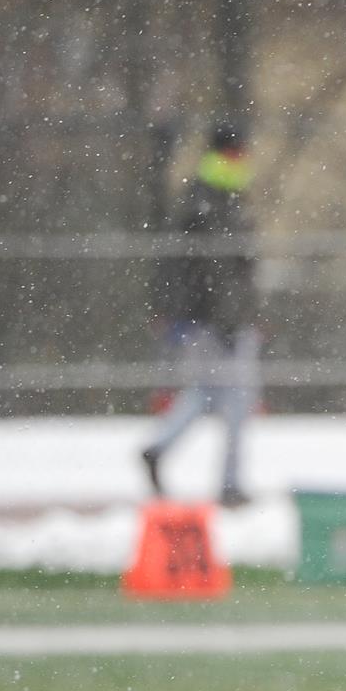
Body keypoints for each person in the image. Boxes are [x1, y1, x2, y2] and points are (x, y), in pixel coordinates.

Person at [141, 122, 259, 509]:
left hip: (209, 320)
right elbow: (219, 271)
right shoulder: (215, 203)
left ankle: (161, 448)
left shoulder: (210, 199)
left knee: (210, 395)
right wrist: (228, 321)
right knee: (235, 400)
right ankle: (228, 484)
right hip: (216, 322)